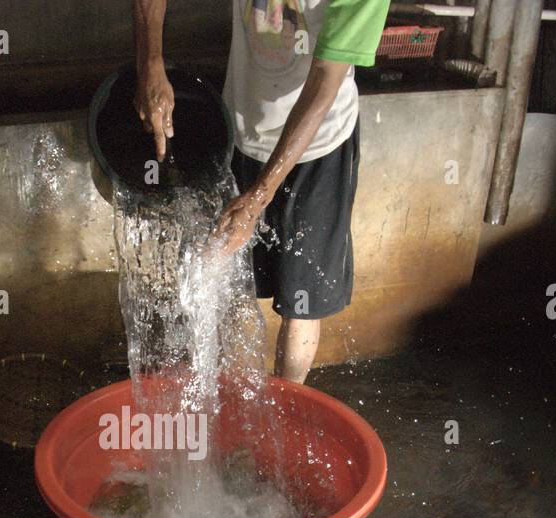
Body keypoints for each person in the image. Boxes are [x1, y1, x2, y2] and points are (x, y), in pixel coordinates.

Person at [133, 0, 390, 383]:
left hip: (319, 144)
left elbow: (325, 82)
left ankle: (286, 412)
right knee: (237, 286)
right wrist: (149, 62)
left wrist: (257, 198)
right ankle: (241, 418)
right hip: (242, 129)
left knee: (300, 305)